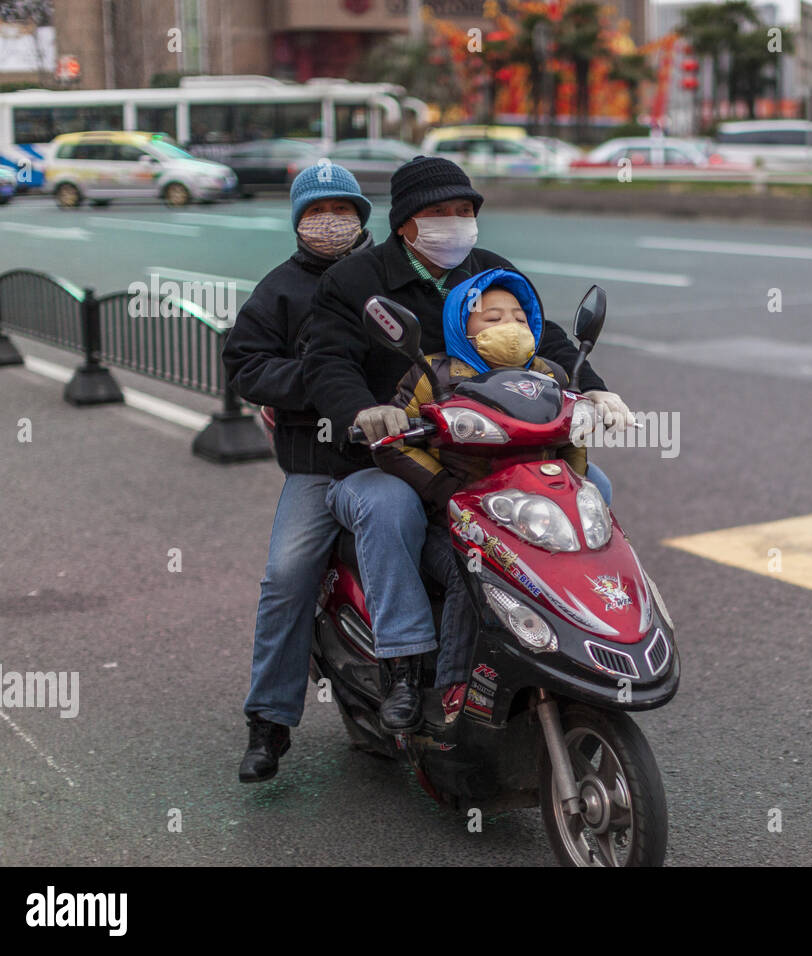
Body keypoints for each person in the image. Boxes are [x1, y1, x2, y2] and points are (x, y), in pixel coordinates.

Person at [302, 156, 632, 734]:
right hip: (390, 455)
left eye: (463, 211)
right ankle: (401, 665)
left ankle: (595, 627)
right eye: (437, 213)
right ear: (405, 222)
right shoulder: (355, 283)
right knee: (389, 506)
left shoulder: (488, 270)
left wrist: (596, 393)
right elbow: (328, 362)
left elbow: (542, 339)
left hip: (492, 454)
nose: (454, 223)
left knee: (591, 486)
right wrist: (365, 411)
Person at [371, 268, 589, 724]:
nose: (508, 328)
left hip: (536, 518)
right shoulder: (432, 374)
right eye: (491, 318)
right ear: (460, 325)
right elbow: (393, 444)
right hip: (452, 521)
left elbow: (572, 441)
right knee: (470, 571)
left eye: (518, 317)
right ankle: (450, 686)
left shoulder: (549, 375)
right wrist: (447, 491)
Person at [221, 162, 373, 783]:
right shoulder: (279, 290)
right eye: (317, 211)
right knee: (286, 576)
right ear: (298, 221)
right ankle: (270, 723)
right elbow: (245, 366)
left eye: (343, 209)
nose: (331, 221)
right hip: (315, 467)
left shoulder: (387, 278)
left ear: (363, 217)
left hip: (395, 459)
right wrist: (316, 383)